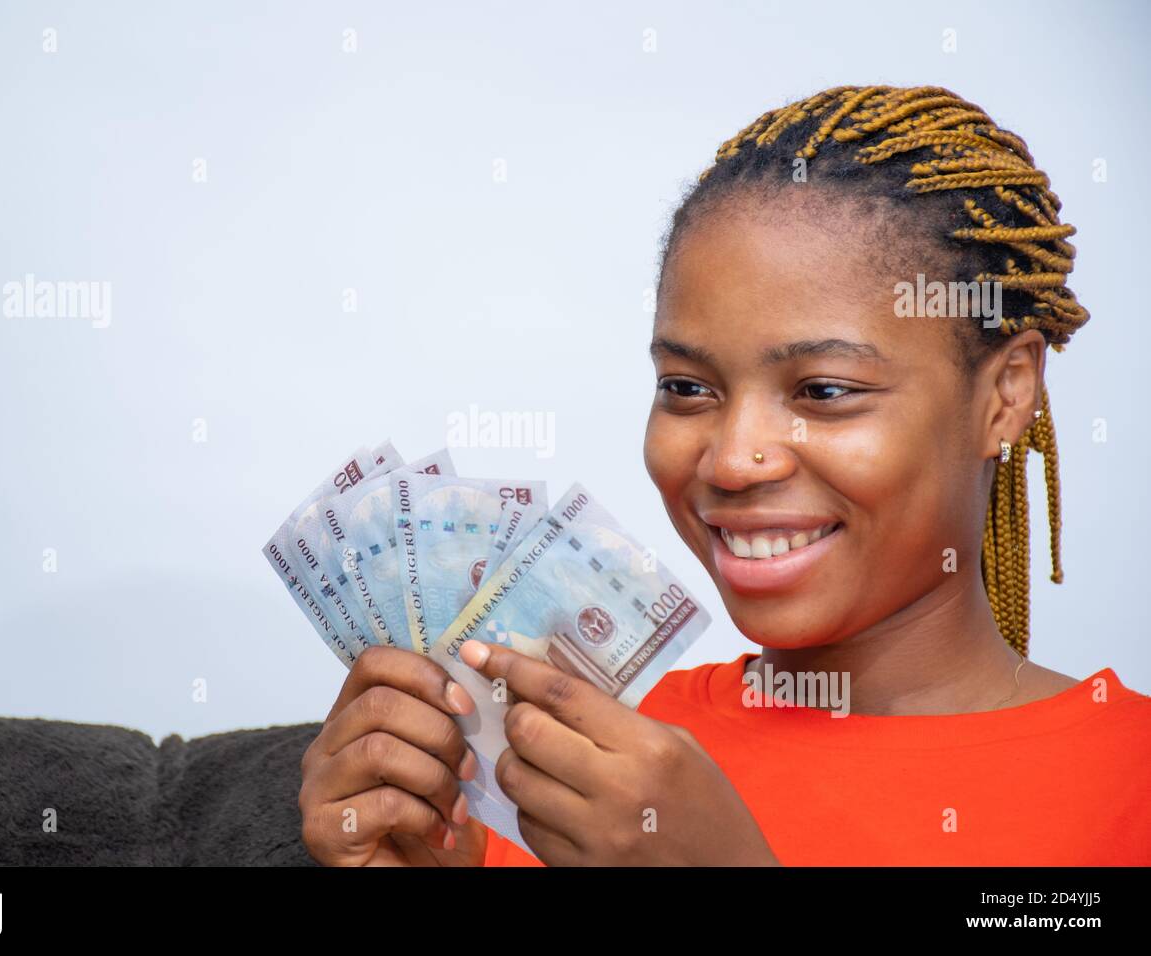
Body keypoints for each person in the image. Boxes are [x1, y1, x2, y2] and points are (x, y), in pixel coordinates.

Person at [296, 86, 1151, 867]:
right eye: (688, 388)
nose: (732, 460)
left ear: (1006, 395)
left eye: (824, 391)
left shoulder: (1128, 787)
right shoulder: (572, 769)